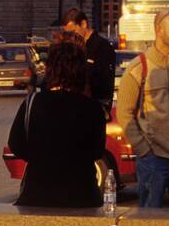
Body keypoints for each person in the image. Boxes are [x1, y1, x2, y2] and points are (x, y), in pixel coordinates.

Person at [115, 8, 169, 209]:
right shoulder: (138, 69)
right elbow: (124, 113)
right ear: (159, 31)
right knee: (150, 219)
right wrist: (143, 148)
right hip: (153, 158)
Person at [9, 35, 105, 208]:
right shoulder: (92, 108)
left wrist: (41, 158)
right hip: (82, 194)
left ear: (50, 70)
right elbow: (97, 151)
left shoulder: (33, 102)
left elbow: (15, 144)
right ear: (81, 71)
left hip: (38, 193)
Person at [61, 7, 115, 109]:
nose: (70, 36)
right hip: (75, 103)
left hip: (96, 103)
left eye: (73, 31)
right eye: (67, 33)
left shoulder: (102, 46)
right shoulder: (70, 46)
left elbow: (104, 81)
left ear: (83, 24)